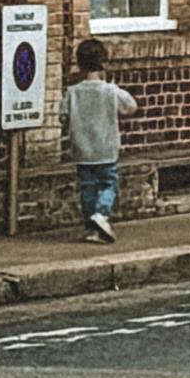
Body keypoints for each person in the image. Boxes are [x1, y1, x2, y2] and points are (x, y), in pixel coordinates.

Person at [65, 38, 126, 239]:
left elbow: (62, 115)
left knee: (87, 187)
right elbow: (131, 106)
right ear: (104, 63)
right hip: (106, 148)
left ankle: (91, 227)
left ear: (79, 64)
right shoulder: (110, 91)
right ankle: (101, 213)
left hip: (82, 149)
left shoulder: (72, 92)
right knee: (108, 183)